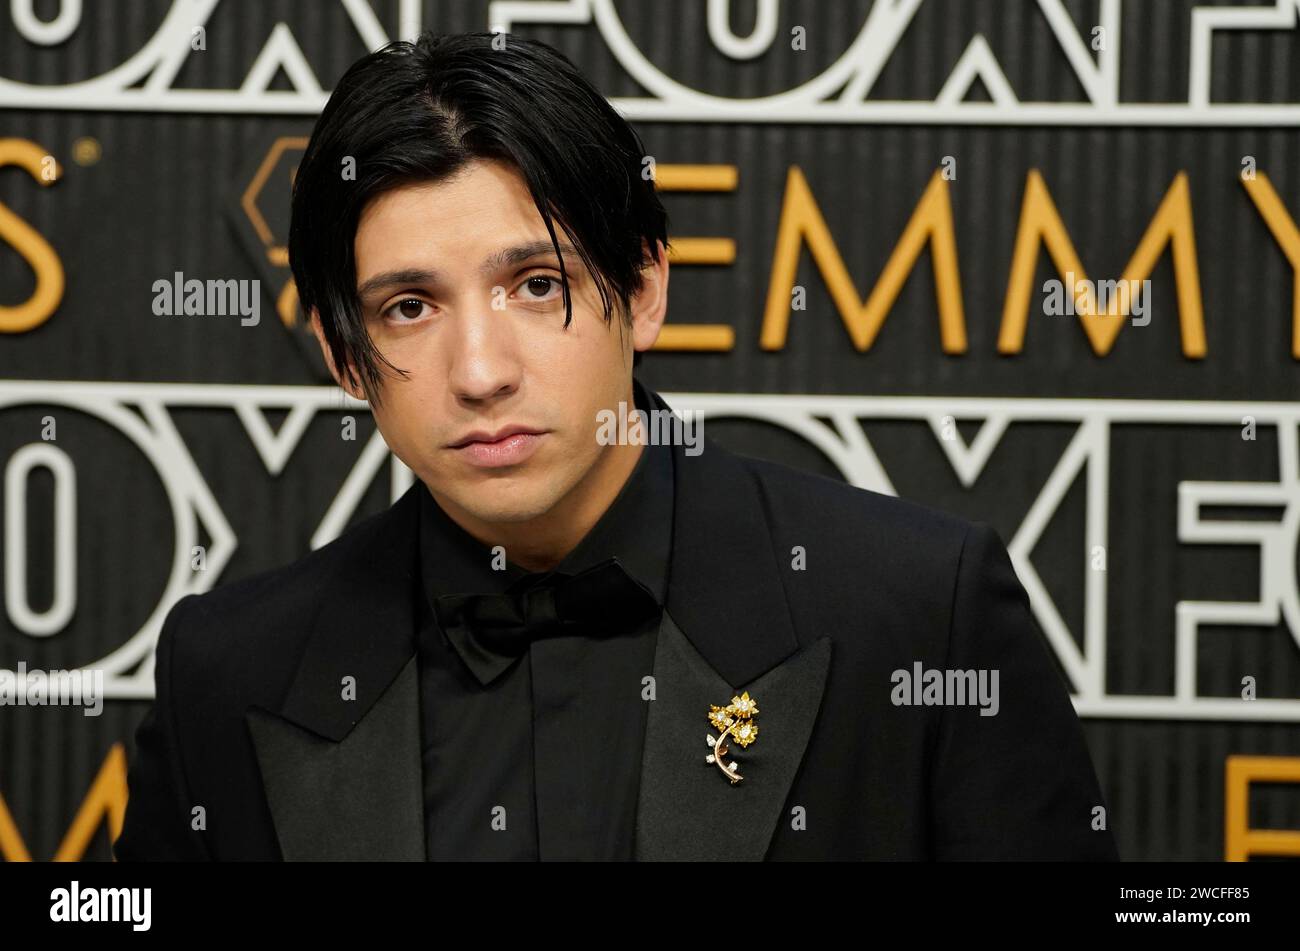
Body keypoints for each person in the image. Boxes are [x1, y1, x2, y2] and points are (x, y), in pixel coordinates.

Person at [114, 31, 1117, 861]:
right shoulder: (229, 674)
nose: (480, 370)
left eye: (536, 285)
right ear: (345, 357)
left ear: (642, 290)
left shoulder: (918, 614)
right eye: (409, 307)